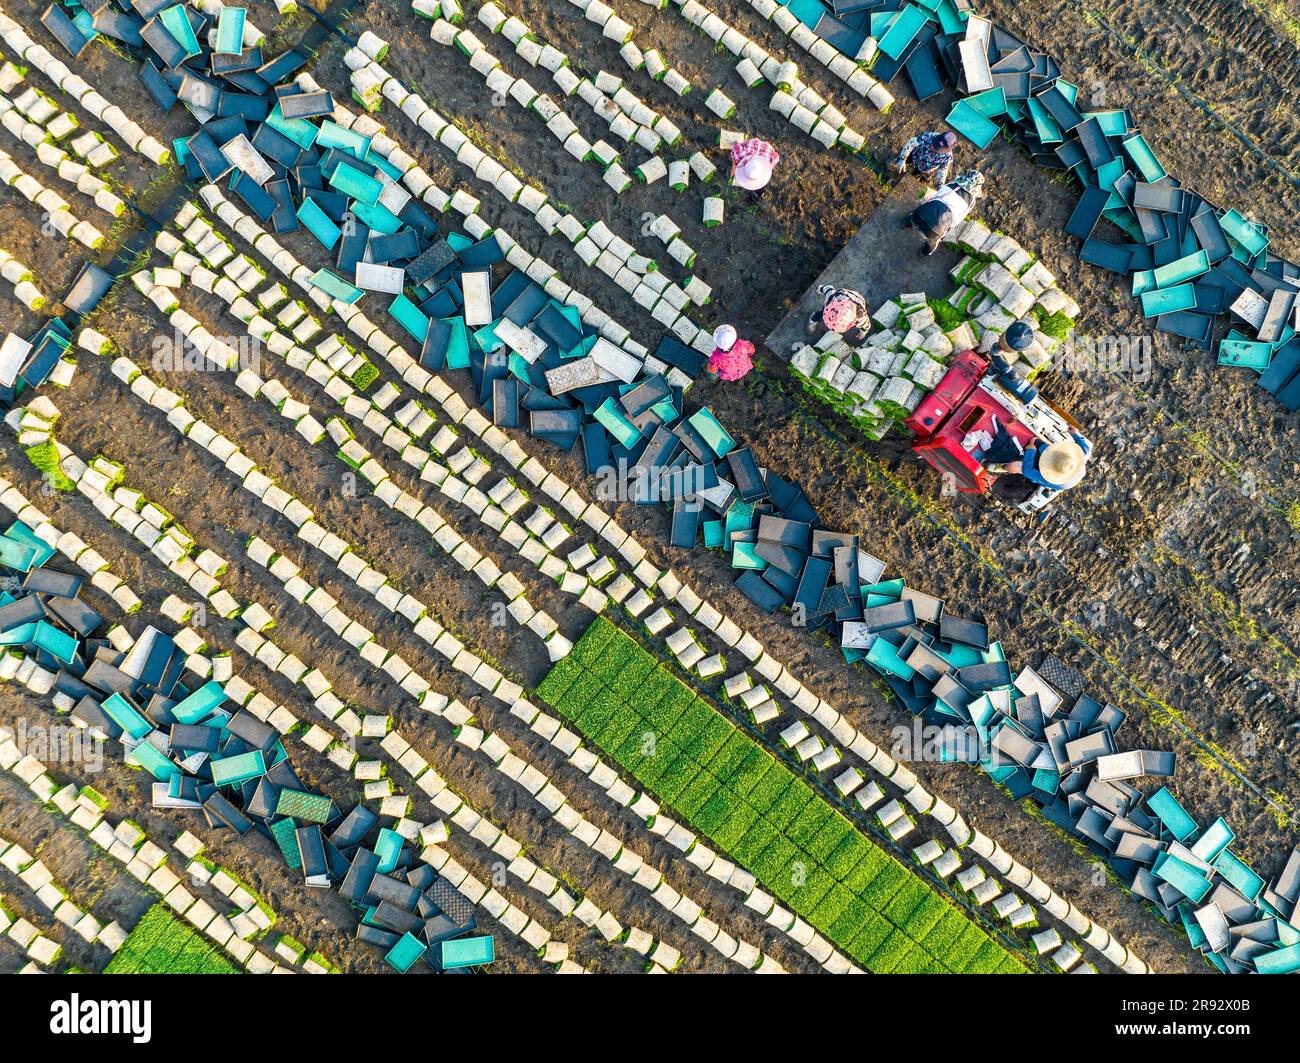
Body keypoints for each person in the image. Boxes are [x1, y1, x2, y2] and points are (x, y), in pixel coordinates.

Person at [991, 430, 1093, 500]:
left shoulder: (1049, 478)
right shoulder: (1082, 455)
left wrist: (1031, 451)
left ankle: (1000, 467)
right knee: (1034, 440)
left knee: (1013, 466)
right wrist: (1075, 433)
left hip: (1050, 469)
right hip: (1060, 460)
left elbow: (1027, 471)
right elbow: (1085, 447)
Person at [905, 170, 985, 255]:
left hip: (919, 215)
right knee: (933, 242)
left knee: (914, 215)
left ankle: (908, 223)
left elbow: (934, 197)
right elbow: (955, 222)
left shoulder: (952, 184)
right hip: (934, 230)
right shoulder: (971, 201)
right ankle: (924, 253)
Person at [806, 285, 871, 344]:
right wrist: (819, 289)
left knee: (822, 315)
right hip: (845, 294)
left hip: (856, 298)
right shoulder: (832, 297)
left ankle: (813, 320)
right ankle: (812, 320)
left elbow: (866, 326)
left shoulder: (860, 319)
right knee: (820, 315)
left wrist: (862, 333)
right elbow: (827, 288)